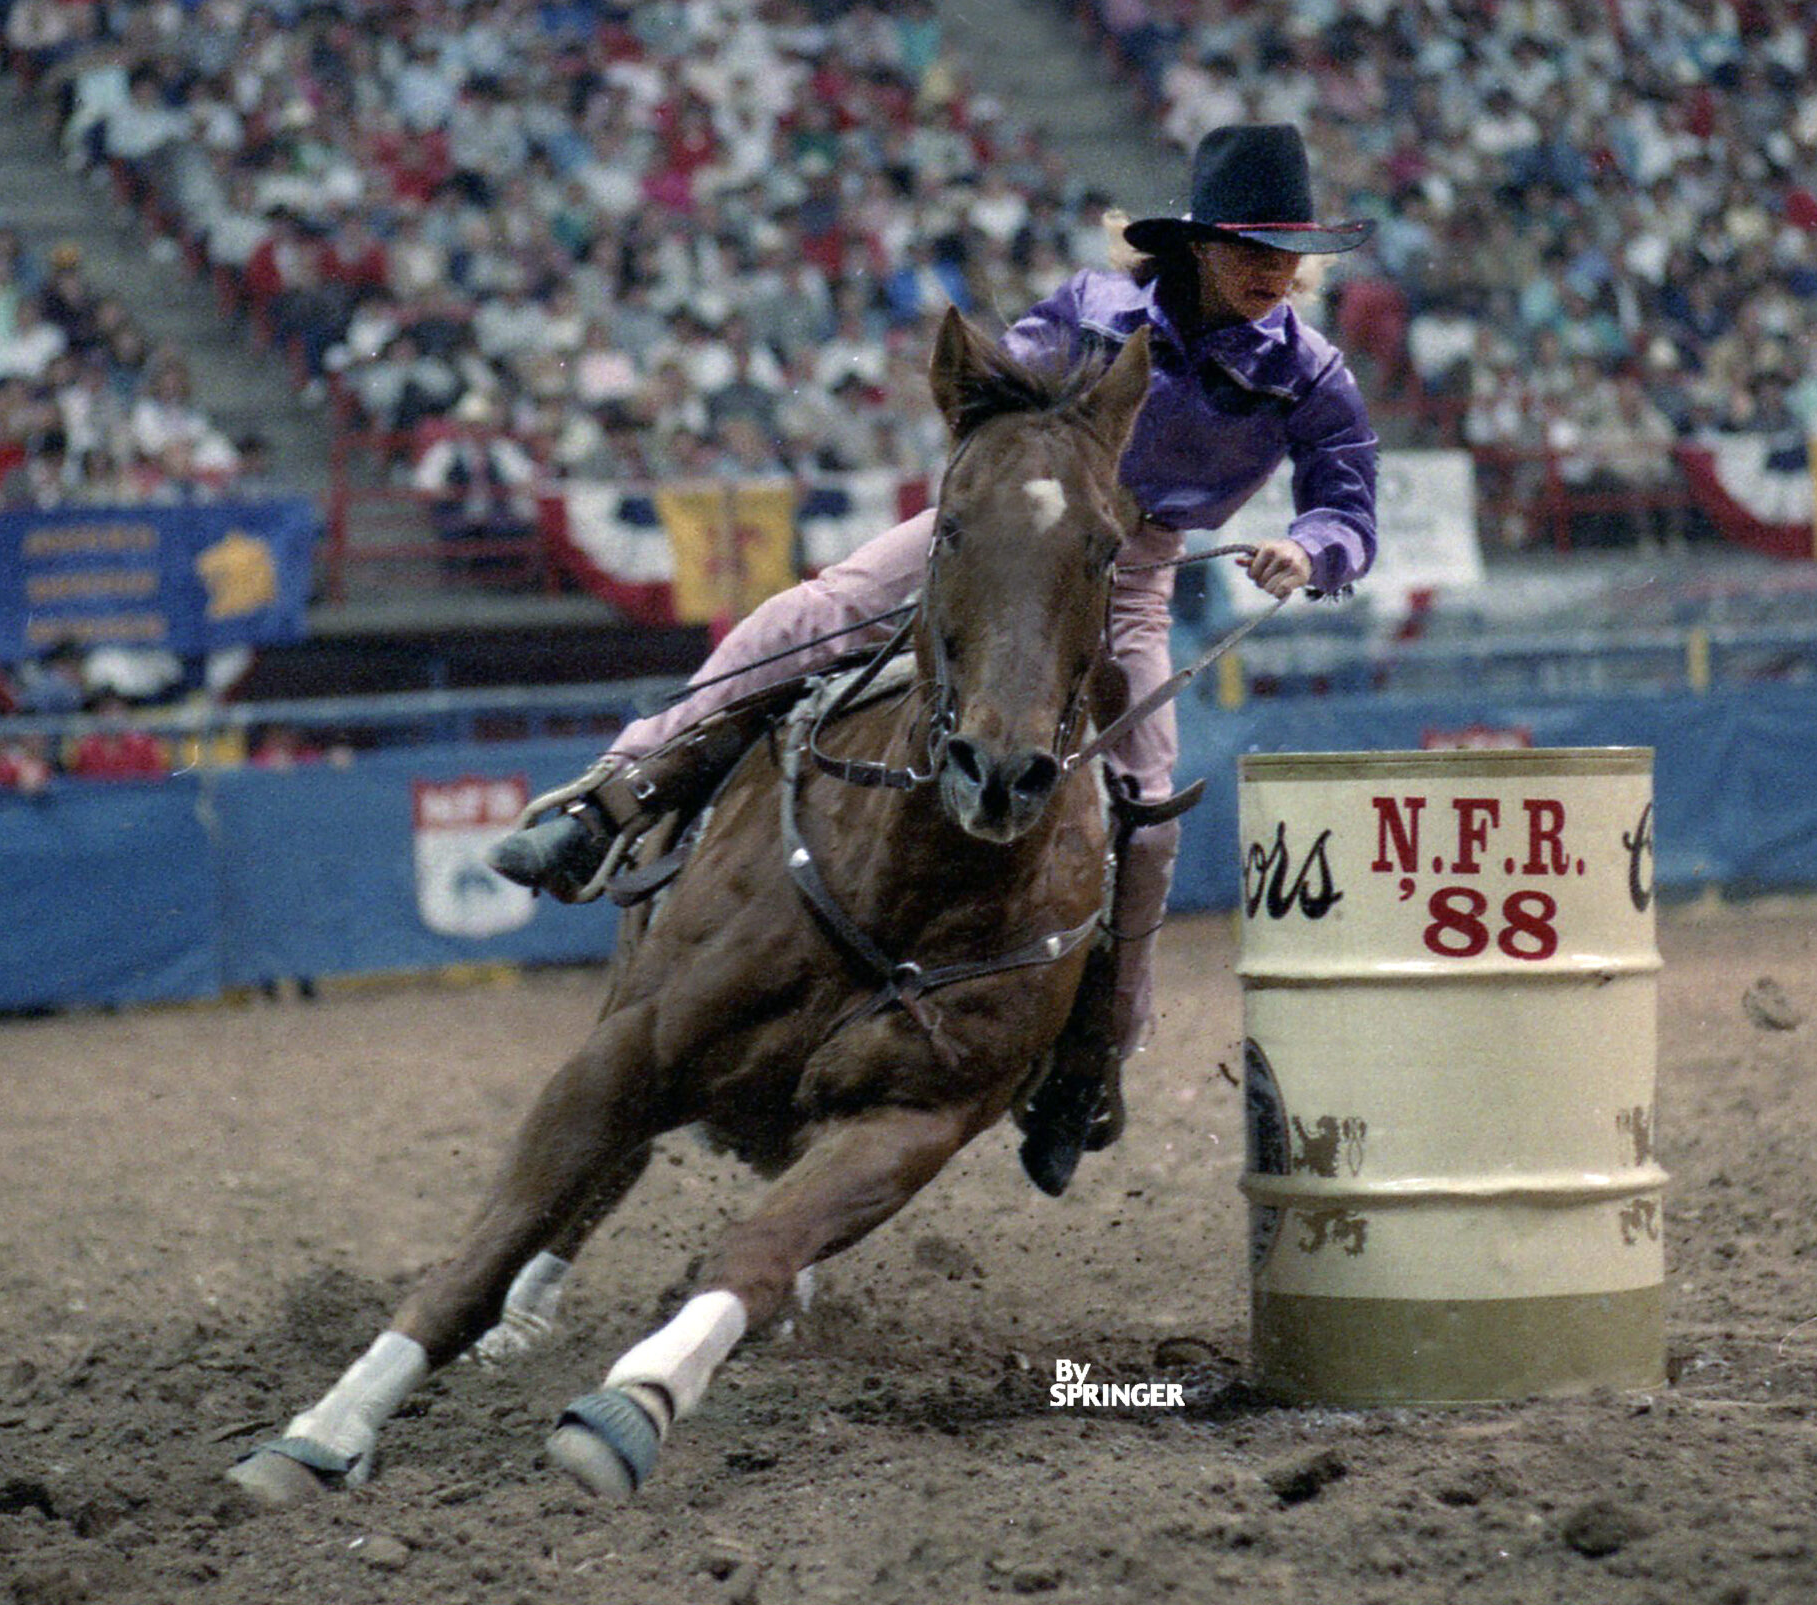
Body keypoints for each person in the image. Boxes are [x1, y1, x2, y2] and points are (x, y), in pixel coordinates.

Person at [495, 125, 1380, 1191]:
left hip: (1132, 575)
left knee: (1146, 818)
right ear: (1194, 245)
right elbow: (989, 416)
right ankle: (607, 802)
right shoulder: (1089, 313)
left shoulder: (1311, 374)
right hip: (1007, 538)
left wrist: (1309, 549)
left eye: (1286, 250)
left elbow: (1347, 506)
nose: (1270, 268)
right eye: (1248, 244)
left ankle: (1090, 1059)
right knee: (808, 618)